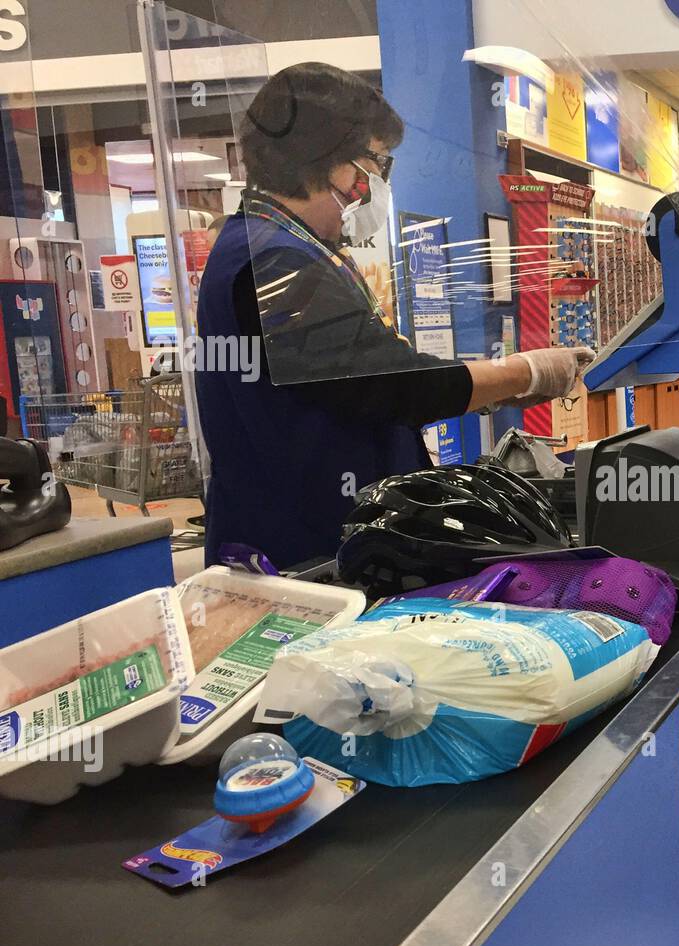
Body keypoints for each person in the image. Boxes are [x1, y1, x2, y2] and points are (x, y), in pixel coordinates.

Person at [196, 63, 587, 568]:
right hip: (304, 550)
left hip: (318, 532)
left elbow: (359, 372)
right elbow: (391, 383)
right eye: (377, 162)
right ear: (332, 162)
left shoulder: (282, 246)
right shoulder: (274, 259)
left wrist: (503, 386)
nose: (379, 180)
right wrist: (523, 372)